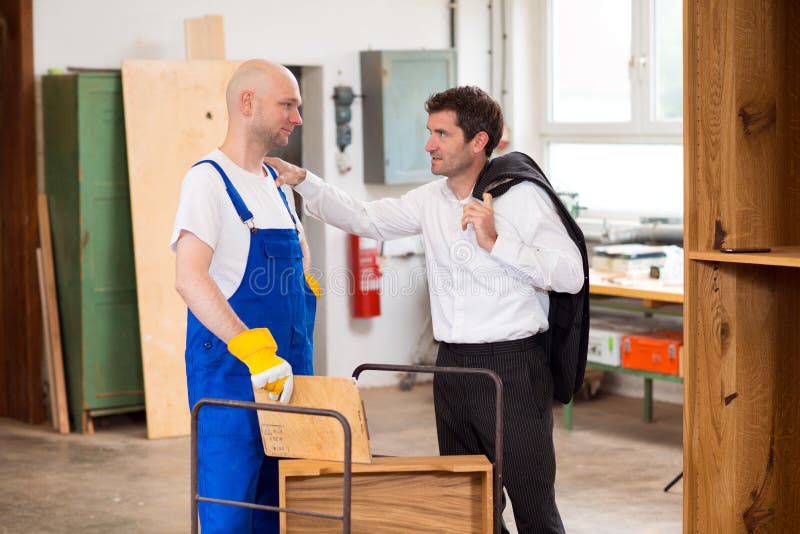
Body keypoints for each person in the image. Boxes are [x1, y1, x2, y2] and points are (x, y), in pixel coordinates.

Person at [267, 85, 583, 533]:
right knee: (469, 506)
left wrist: (497, 241)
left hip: (512, 368)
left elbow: (571, 274)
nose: (429, 144)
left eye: (441, 133)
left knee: (534, 508)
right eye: (429, 131)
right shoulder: (430, 200)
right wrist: (305, 181)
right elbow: (365, 217)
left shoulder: (523, 197)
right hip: (451, 366)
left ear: (478, 142)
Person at [171, 59, 319, 534]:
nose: (297, 118)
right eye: (288, 105)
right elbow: (190, 278)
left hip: (289, 379)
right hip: (233, 379)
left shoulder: (279, 187)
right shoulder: (207, 181)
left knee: (286, 510)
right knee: (231, 513)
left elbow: (301, 264)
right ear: (247, 103)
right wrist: (254, 351)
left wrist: (304, 290)